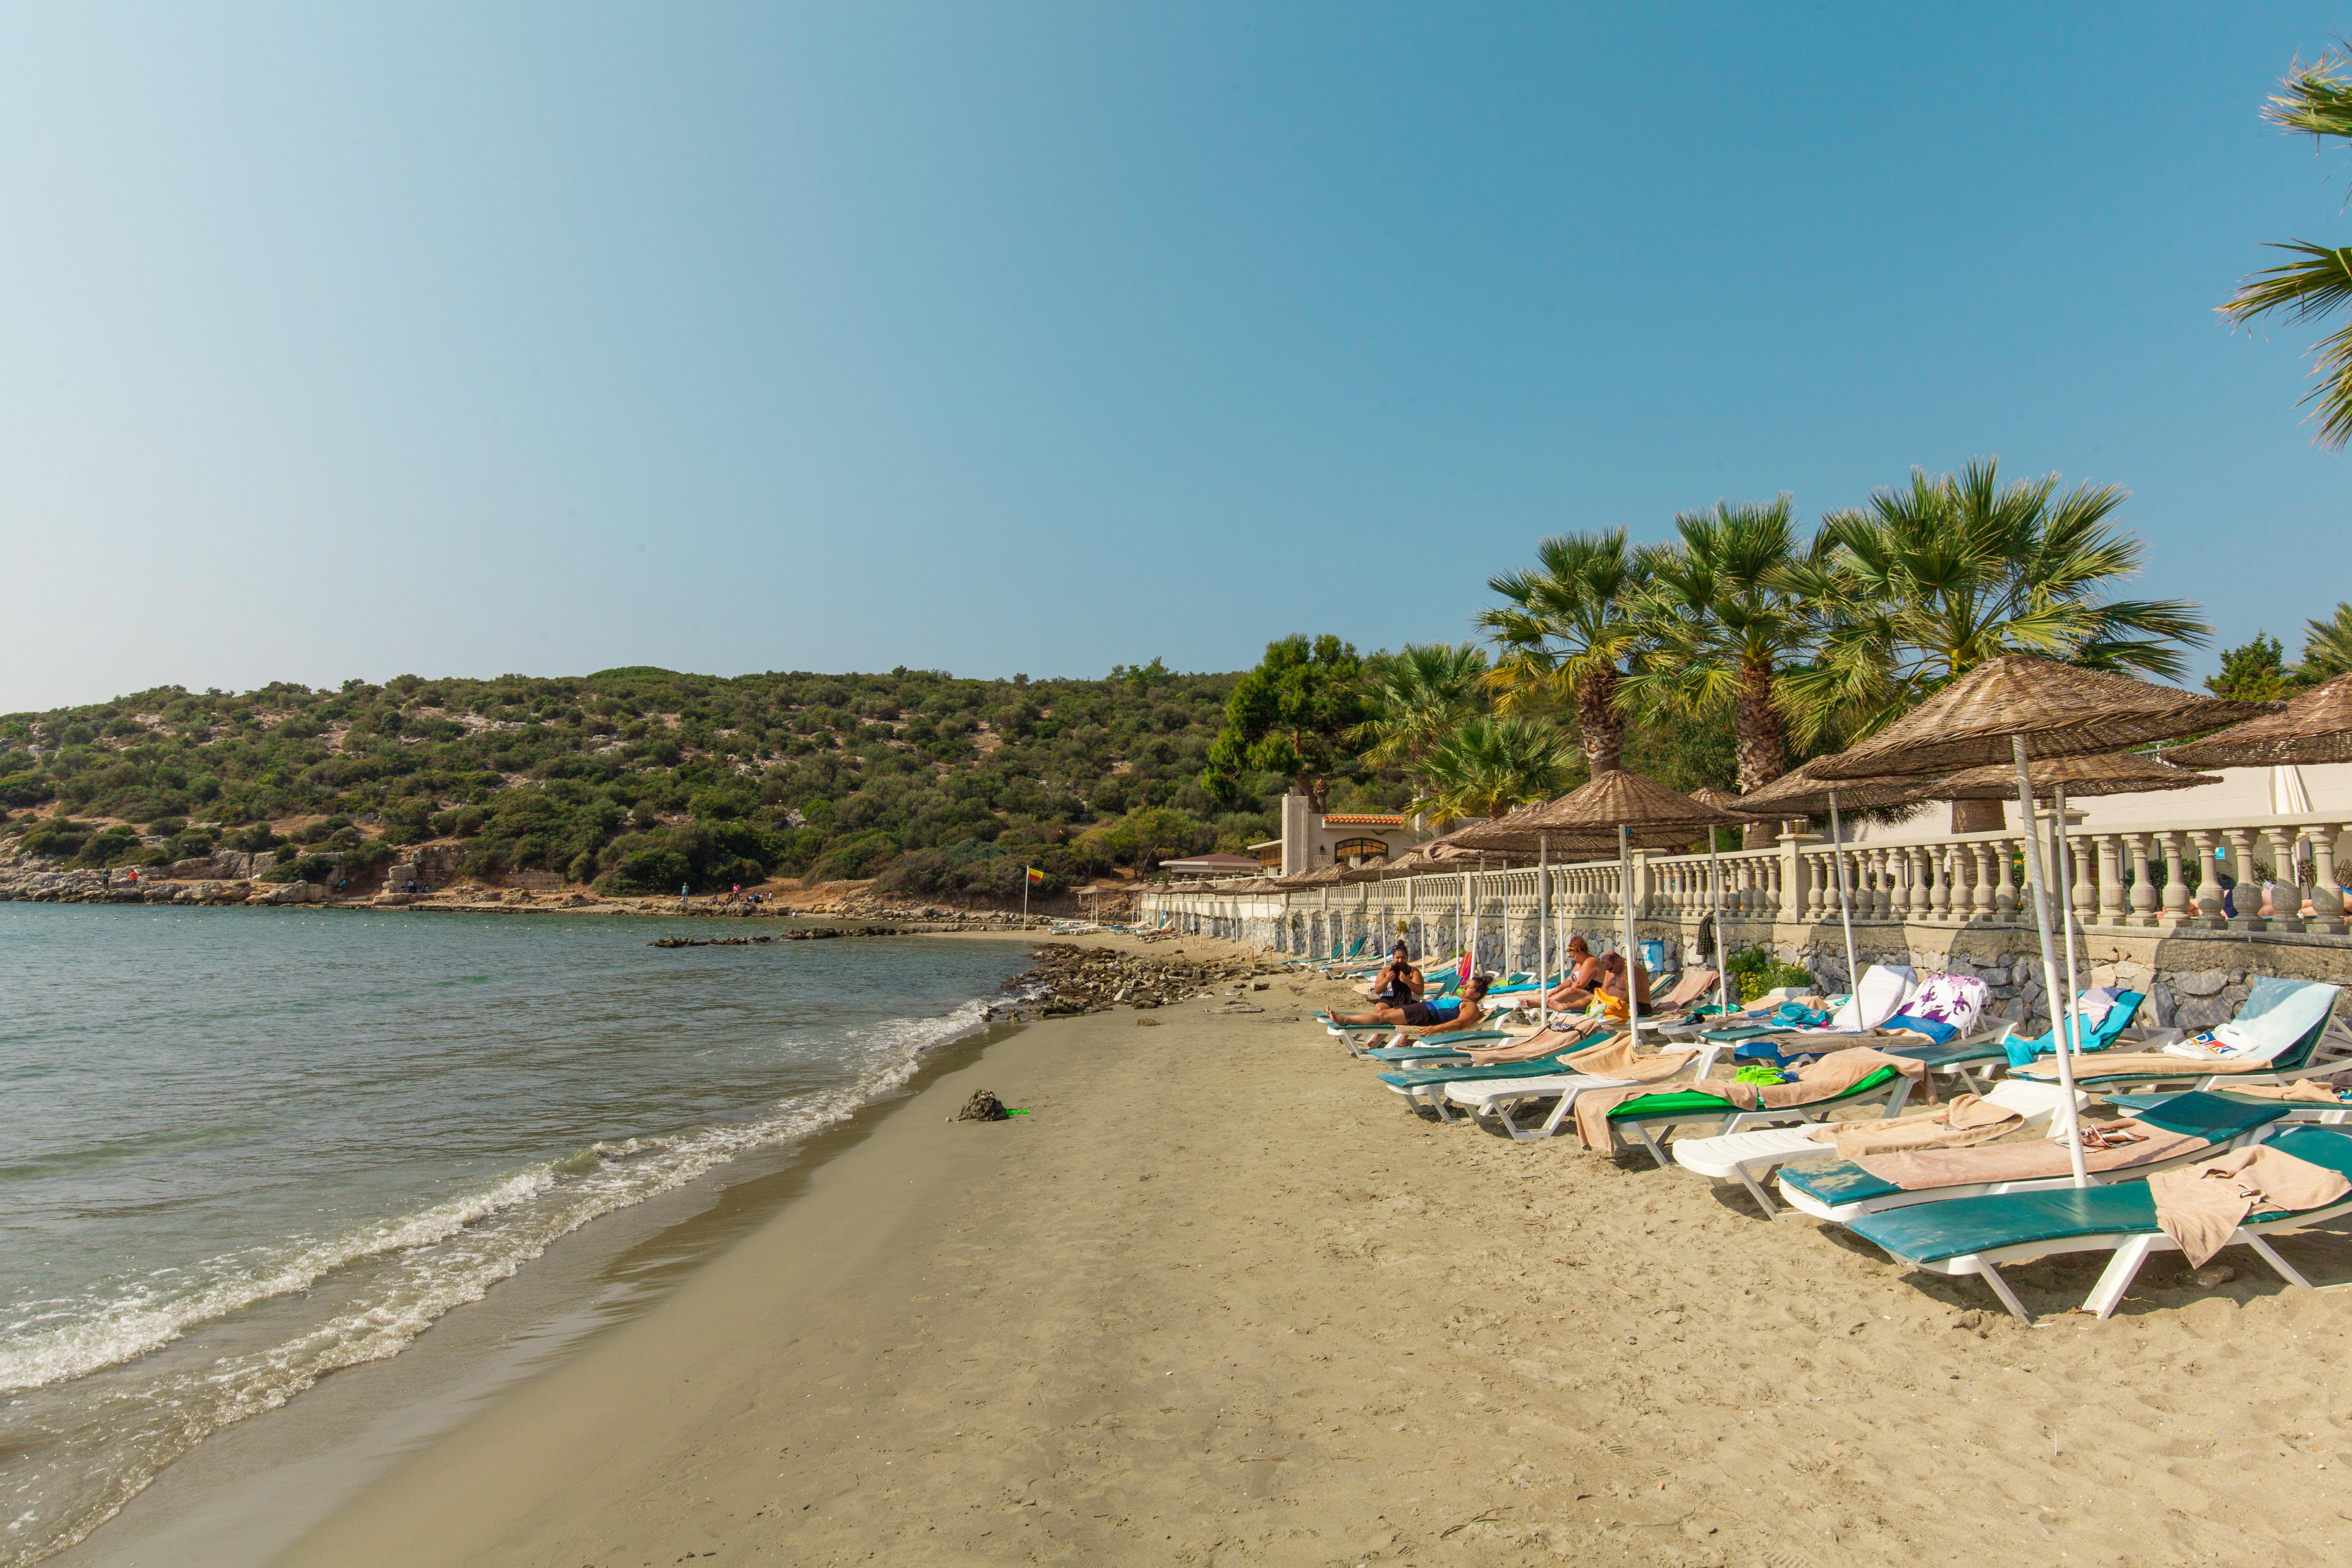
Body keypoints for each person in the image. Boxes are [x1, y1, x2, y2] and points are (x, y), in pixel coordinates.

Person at [1330, 974, 1491, 1034]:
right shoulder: (1462, 999)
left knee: (1383, 1016)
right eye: (1465, 986)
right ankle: (1346, 1018)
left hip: (1427, 1014)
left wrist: (1435, 1029)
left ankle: (1345, 1020)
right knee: (1383, 1014)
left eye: (1469, 988)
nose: (1464, 989)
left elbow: (1460, 1023)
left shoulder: (1471, 1007)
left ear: (1477, 994)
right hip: (1425, 1008)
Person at [1542, 935, 1604, 1008]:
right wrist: (1556, 990)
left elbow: (1580, 984)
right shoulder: (1580, 963)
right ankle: (1540, 1002)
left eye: (1573, 956)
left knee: (1569, 991)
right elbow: (1569, 980)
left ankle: (1540, 1003)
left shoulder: (1591, 962)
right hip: (1581, 995)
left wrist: (1565, 994)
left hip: (1594, 996)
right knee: (1562, 992)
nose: (1572, 959)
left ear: (1580, 953)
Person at [1370, 942, 1422, 1006]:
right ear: (1393, 958)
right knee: (1380, 1008)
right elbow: (1377, 990)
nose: (1400, 961)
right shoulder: (1385, 971)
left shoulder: (1414, 972)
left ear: (1407, 958)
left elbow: (1420, 991)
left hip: (1409, 999)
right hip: (1389, 998)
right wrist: (1387, 980)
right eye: (1398, 958)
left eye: (1403, 958)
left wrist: (1409, 982)